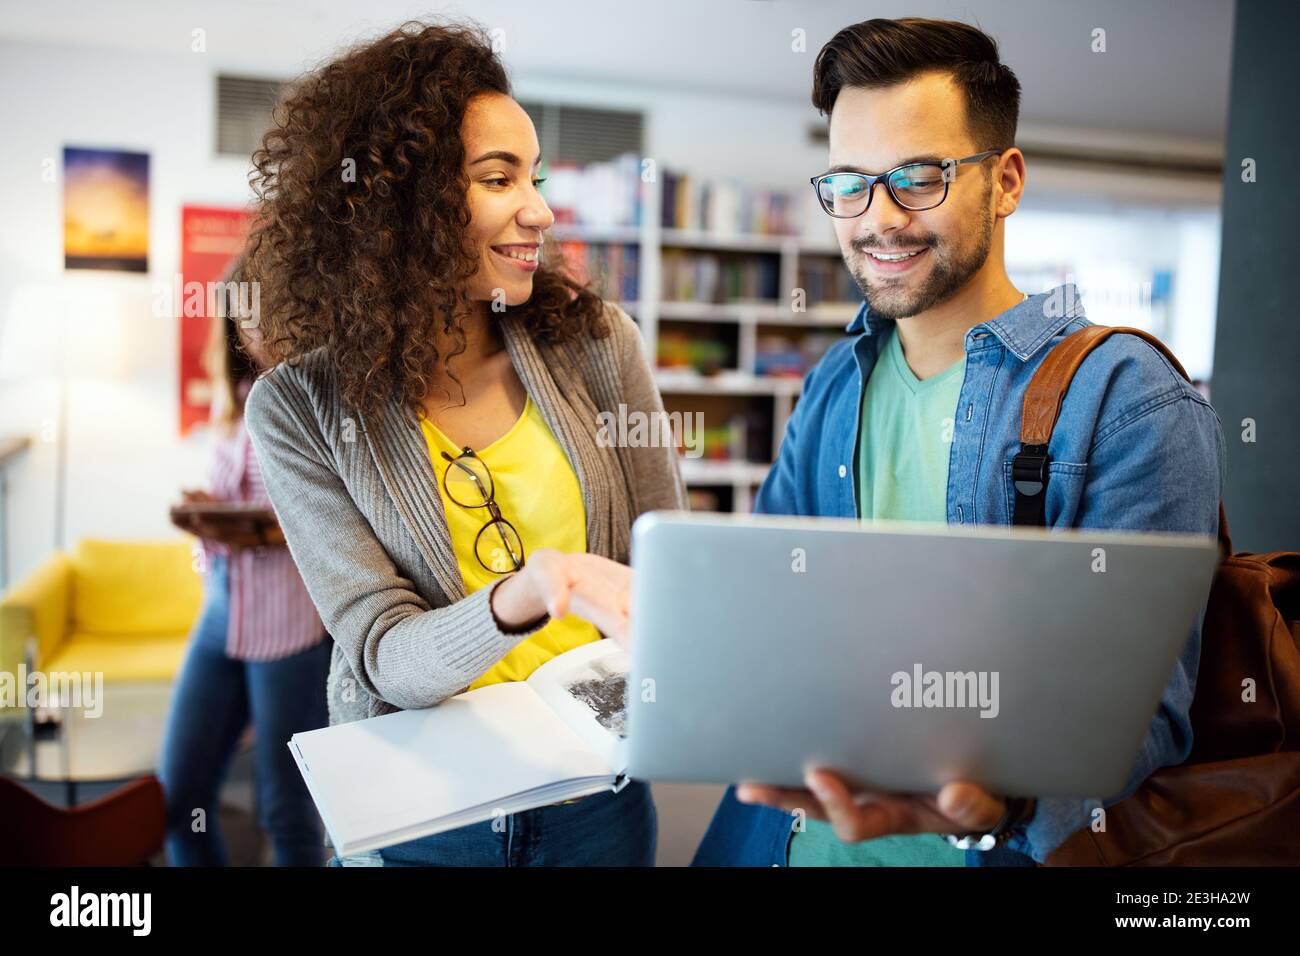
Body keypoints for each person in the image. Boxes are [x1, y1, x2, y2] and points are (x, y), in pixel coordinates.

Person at [692, 16, 1225, 867]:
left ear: (1005, 181)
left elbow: (1140, 719)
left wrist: (998, 802)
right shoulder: (835, 380)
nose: (879, 219)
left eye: (918, 177)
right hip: (776, 842)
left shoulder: (1127, 398)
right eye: (851, 184)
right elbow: (771, 611)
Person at [241, 21, 684, 867]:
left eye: (536, 177)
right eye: (498, 178)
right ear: (400, 205)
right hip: (422, 821)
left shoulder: (596, 343)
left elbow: (670, 560)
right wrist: (536, 589)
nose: (541, 209)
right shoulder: (300, 409)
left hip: (600, 800)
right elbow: (383, 656)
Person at [160, 260, 332, 866]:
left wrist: (253, 531)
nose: (252, 331)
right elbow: (246, 502)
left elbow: (328, 517)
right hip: (223, 612)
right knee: (178, 794)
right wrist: (210, 512)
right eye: (241, 317)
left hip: (290, 624)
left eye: (261, 314)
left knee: (287, 812)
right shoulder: (235, 400)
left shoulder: (316, 397)